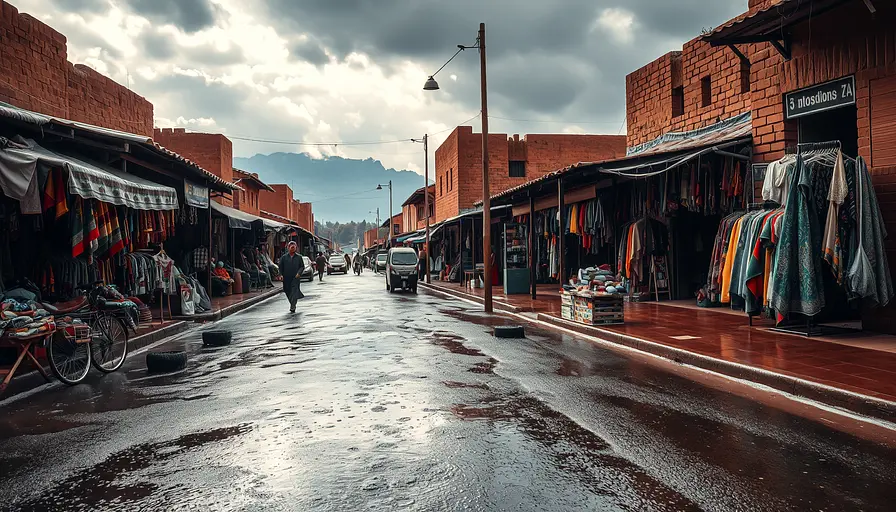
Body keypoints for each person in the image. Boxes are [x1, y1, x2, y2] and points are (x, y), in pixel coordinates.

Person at [278, 241, 305, 313]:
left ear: (296, 248)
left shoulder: (299, 257)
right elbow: (280, 267)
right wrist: (280, 275)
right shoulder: (284, 257)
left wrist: (299, 273)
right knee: (288, 291)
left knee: (294, 292)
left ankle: (293, 305)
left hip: (295, 278)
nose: (292, 248)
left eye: (294, 247)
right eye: (291, 247)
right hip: (286, 278)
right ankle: (292, 303)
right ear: (288, 248)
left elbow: (302, 267)